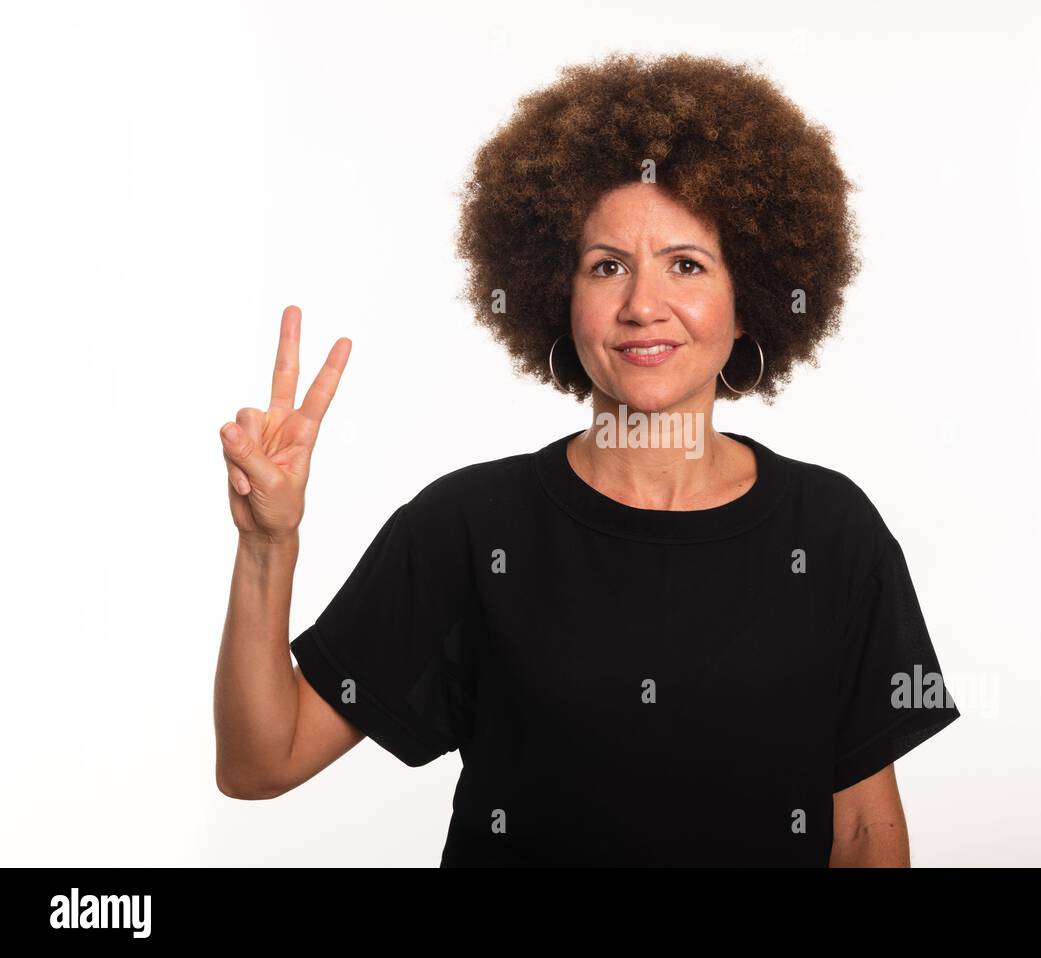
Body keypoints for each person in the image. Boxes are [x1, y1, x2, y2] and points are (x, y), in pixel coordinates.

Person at [213, 52, 960, 867]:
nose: (643, 306)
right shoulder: (469, 526)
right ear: (555, 298)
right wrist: (266, 545)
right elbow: (261, 762)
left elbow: (861, 829)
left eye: (686, 265)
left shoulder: (832, 531)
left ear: (748, 302)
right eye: (607, 266)